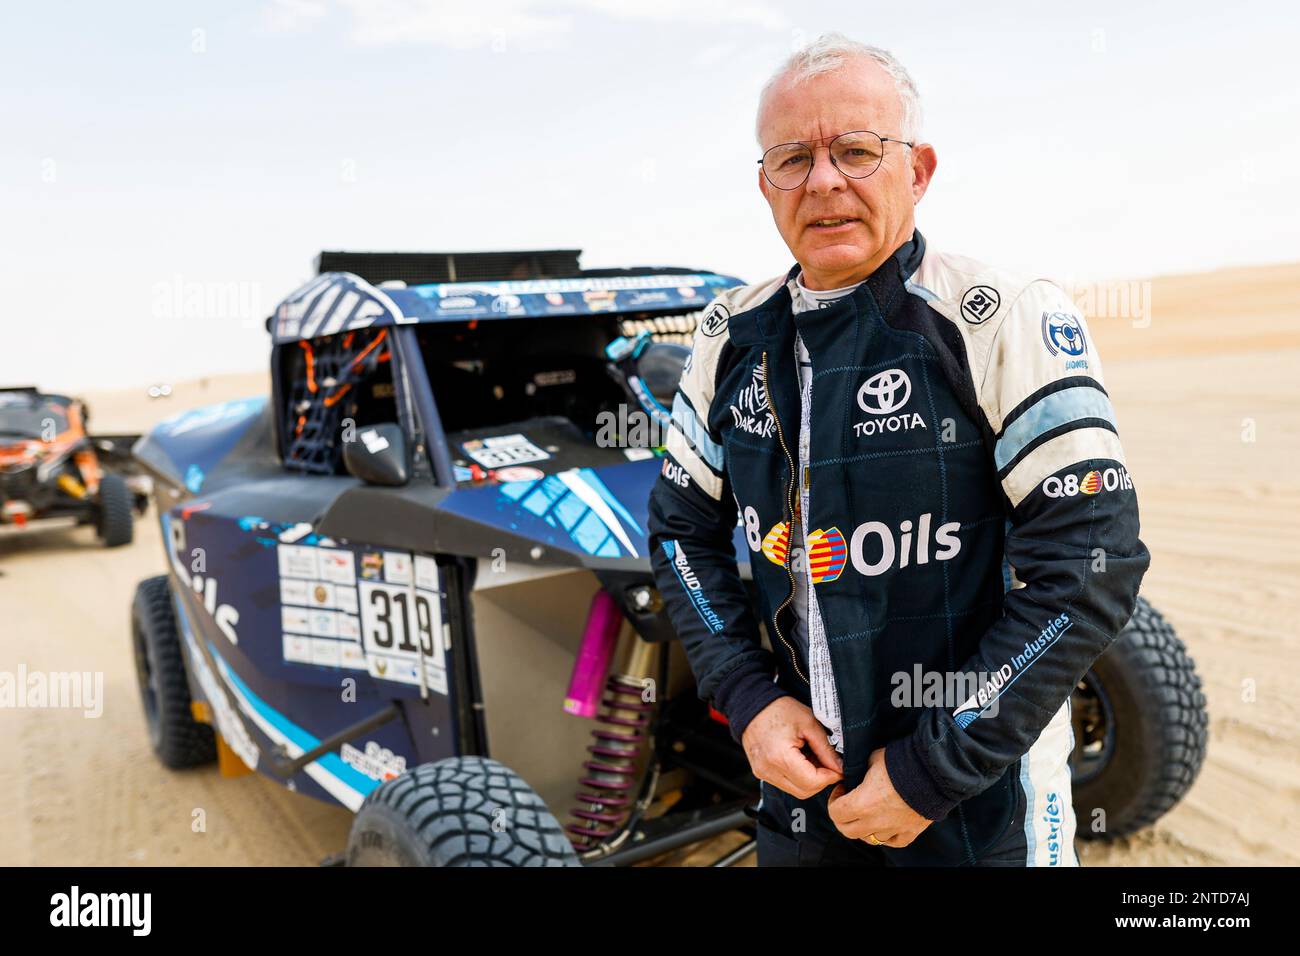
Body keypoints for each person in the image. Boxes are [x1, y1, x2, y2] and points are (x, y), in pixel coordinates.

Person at [646, 33, 1149, 866]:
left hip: (978, 793)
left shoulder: (1000, 314)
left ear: (917, 171)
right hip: (803, 792)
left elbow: (1094, 557)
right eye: (792, 158)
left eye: (855, 150)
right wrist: (749, 699)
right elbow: (680, 534)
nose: (825, 181)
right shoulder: (726, 336)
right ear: (765, 184)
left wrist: (933, 767)